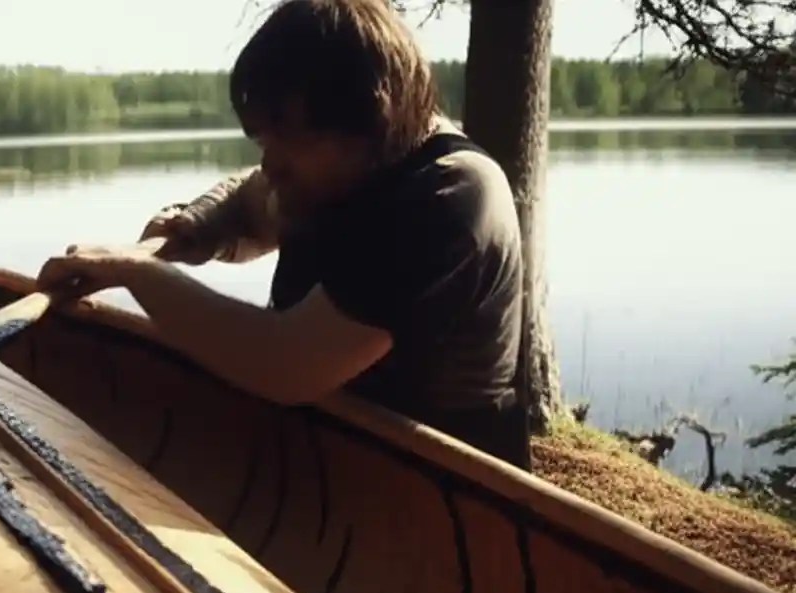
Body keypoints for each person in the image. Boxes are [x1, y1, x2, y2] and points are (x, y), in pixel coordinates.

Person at [35, 0, 530, 469]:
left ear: (369, 122)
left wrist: (136, 272)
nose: (270, 163)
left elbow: (284, 365)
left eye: (289, 141)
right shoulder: (343, 171)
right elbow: (250, 202)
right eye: (264, 140)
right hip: (336, 459)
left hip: (438, 489)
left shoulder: (449, 199)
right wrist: (197, 224)